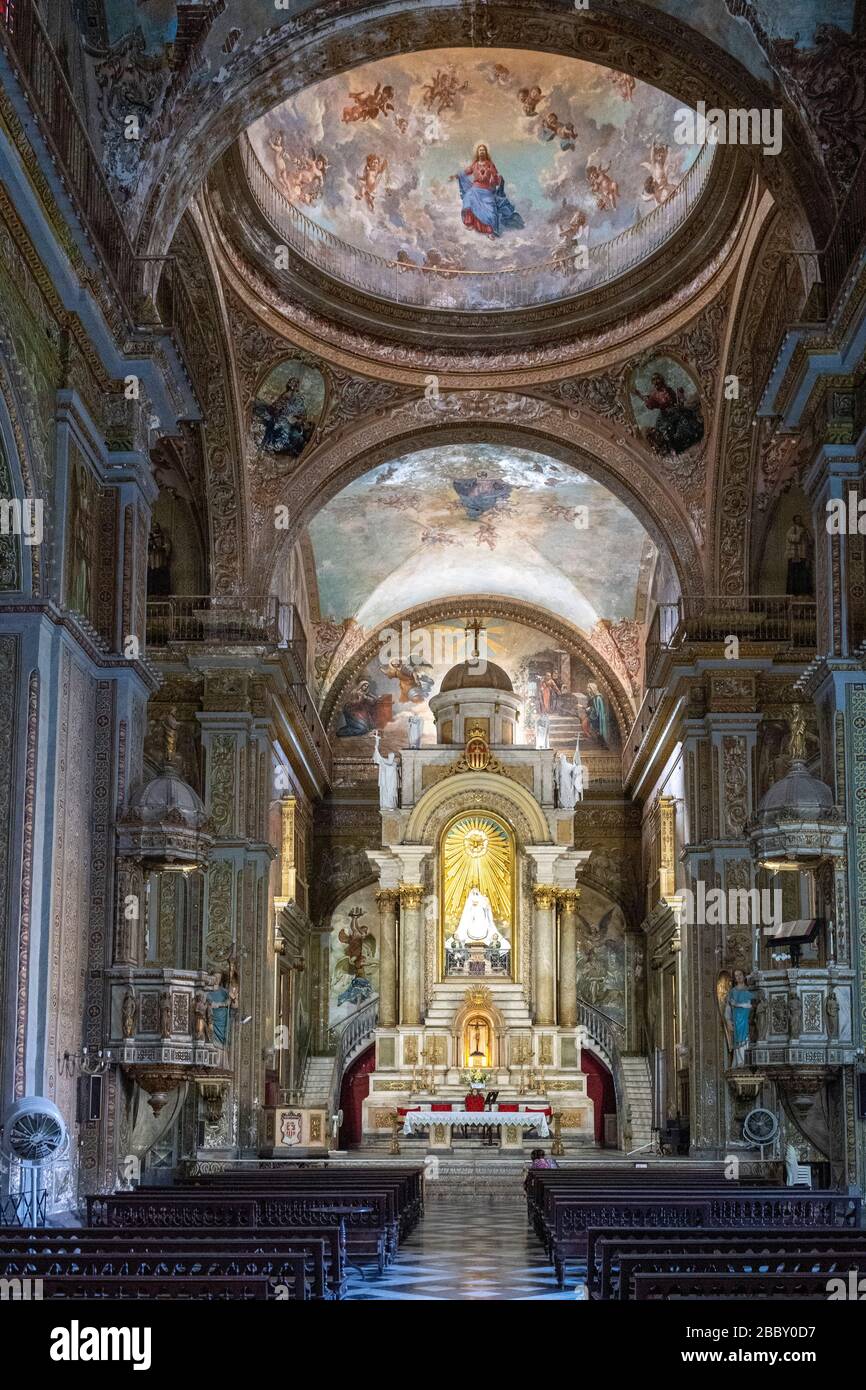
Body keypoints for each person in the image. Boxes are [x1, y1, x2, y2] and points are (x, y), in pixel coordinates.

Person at [451, 144, 522, 239]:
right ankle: (471, 223)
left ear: (486, 152)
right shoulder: (475, 164)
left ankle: (490, 231)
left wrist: (497, 179)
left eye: (483, 150)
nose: (481, 152)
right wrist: (456, 175)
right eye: (480, 150)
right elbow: (467, 171)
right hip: (475, 188)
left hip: (486, 190)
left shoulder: (490, 164)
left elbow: (495, 176)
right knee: (469, 197)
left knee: (491, 210)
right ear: (477, 152)